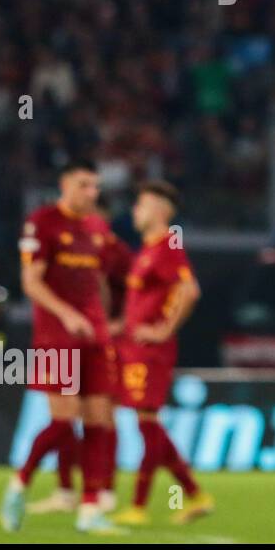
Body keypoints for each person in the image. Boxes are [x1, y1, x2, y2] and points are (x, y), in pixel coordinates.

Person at [0, 159, 121, 534]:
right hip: (57, 337)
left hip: (95, 336)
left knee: (100, 420)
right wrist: (67, 314)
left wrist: (106, 319)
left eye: (95, 186)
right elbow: (31, 282)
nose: (91, 193)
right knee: (64, 421)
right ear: (65, 184)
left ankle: (89, 510)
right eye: (84, 185)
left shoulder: (97, 228)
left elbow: (99, 280)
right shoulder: (42, 222)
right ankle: (19, 484)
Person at [111, 181, 212, 526]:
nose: (135, 212)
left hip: (150, 351)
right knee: (148, 425)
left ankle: (139, 506)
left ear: (160, 209)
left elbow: (190, 291)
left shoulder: (169, 244)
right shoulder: (148, 250)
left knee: (148, 424)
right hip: (134, 347)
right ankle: (195, 494)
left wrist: (164, 329)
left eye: (141, 205)